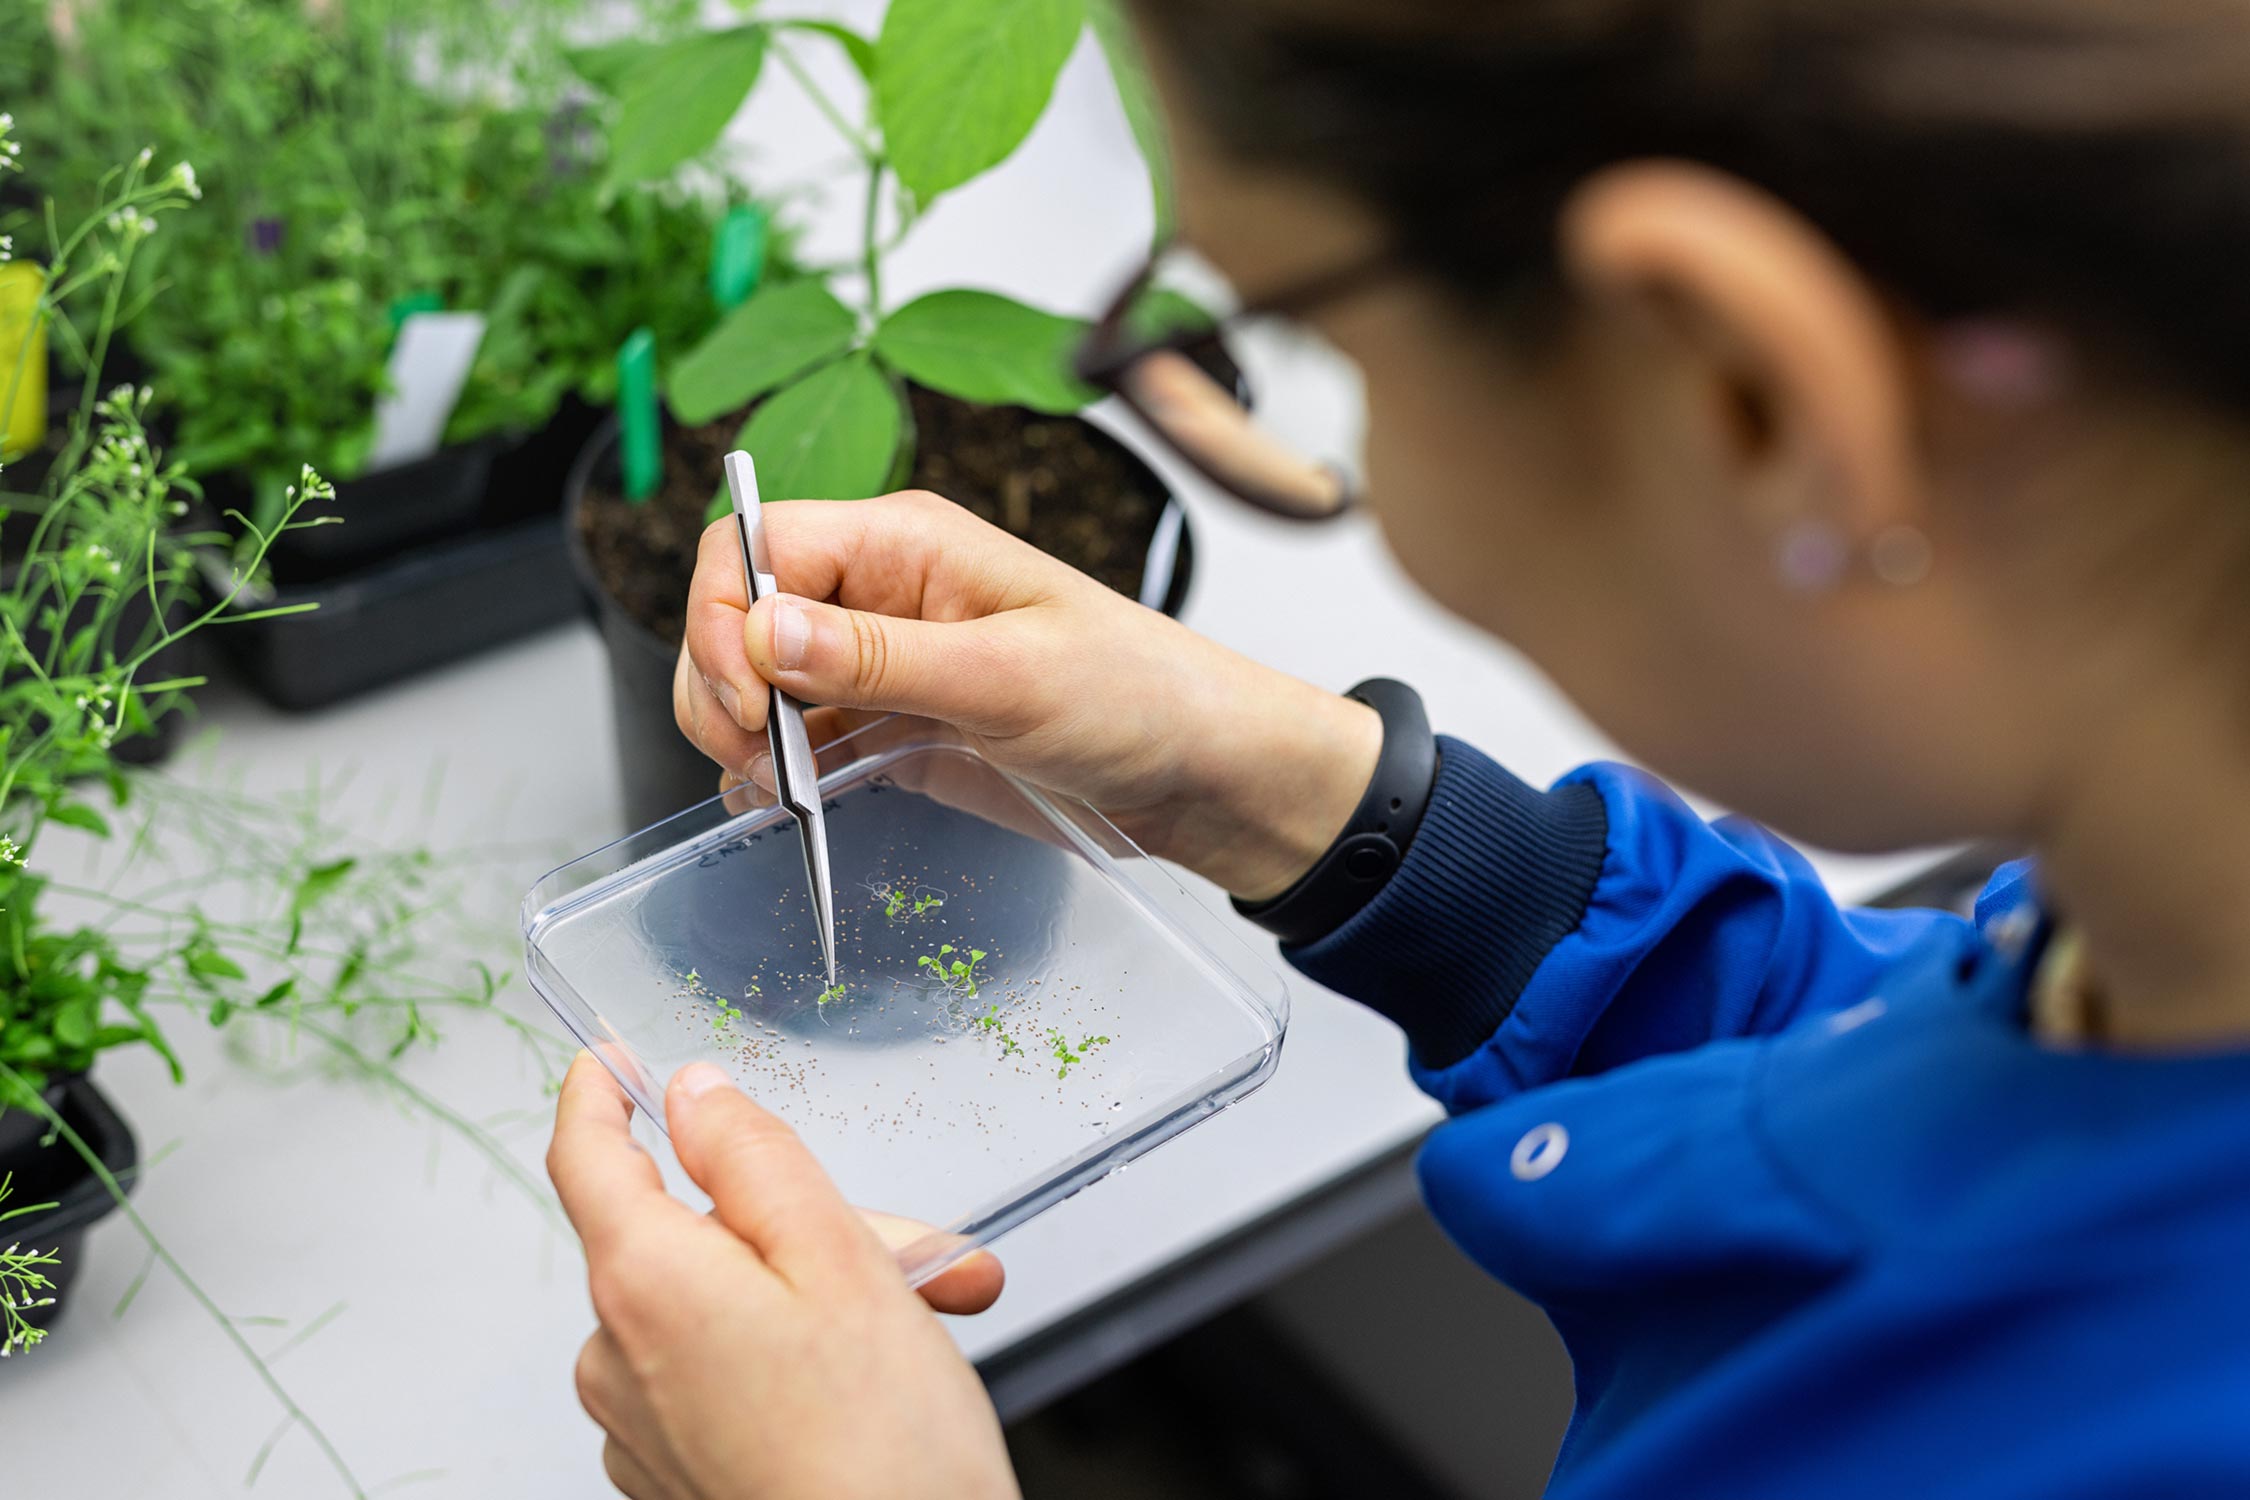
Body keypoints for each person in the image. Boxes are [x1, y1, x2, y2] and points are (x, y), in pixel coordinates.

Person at [543, 1, 2250, 1495]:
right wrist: (1345, 812)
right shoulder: (2158, 940)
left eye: (1314, 339)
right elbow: (1936, 1065)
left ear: (1746, 394)